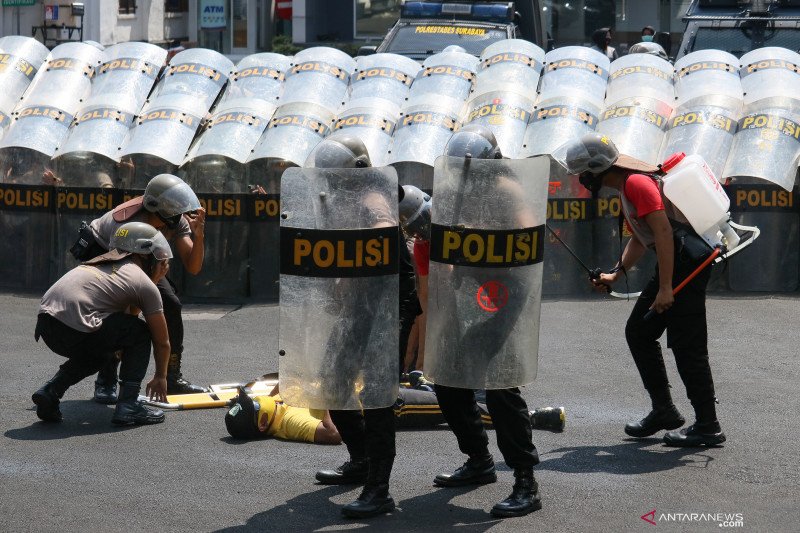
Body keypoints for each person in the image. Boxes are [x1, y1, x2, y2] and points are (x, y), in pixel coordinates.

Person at [557, 132, 725, 447]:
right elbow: (641, 235)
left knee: (688, 346)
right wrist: (616, 274)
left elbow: (663, 232)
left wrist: (665, 288)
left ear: (596, 170)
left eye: (583, 173)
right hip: (677, 264)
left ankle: (708, 426)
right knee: (639, 332)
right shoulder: (626, 186)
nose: (581, 179)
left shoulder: (636, 183)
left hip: (686, 264)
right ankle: (664, 410)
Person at [428, 125, 543, 518]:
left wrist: (481, 233)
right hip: (478, 295)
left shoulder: (506, 190)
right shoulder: (463, 192)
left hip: (509, 295)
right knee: (448, 378)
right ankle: (479, 459)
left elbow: (528, 236)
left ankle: (526, 482)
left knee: (501, 387)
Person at [301, 133, 399, 519]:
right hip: (356, 310)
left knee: (377, 401)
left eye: (337, 176)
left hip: (381, 311)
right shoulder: (341, 202)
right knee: (333, 384)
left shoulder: (372, 199)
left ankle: (379, 489)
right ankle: (360, 461)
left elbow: (386, 231)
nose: (332, 183)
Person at [71, 173, 208, 401]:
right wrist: (143, 293)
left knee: (171, 304)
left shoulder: (175, 219)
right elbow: (128, 286)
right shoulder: (126, 223)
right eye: (171, 208)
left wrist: (199, 236)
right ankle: (106, 379)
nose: (177, 213)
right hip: (107, 250)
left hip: (144, 255)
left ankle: (172, 377)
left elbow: (193, 267)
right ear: (156, 207)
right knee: (119, 313)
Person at [32, 222, 171, 425]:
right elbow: (162, 341)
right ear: (143, 254)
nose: (162, 262)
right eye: (158, 257)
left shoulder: (103, 263)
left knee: (103, 352)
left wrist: (154, 280)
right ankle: (129, 406)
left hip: (47, 326)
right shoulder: (141, 280)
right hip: (76, 326)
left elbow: (125, 321)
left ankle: (50, 390)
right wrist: (161, 376)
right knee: (141, 331)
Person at [225, 388, 342, 444]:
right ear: (263, 424)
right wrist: (328, 400)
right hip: (353, 401)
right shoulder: (290, 422)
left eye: (251, 399)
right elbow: (332, 434)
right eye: (256, 404)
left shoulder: (276, 404)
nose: (257, 399)